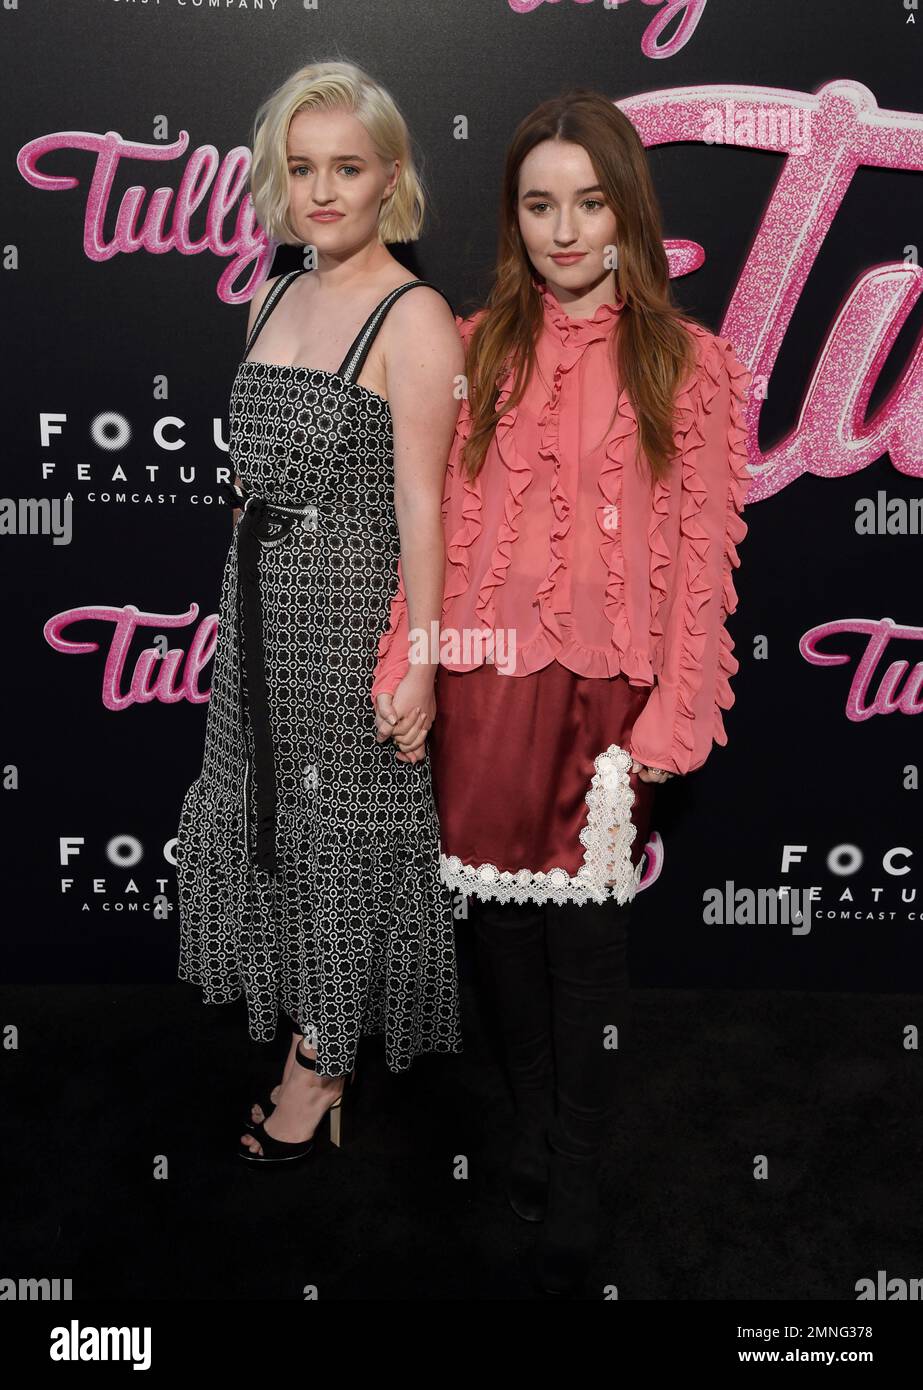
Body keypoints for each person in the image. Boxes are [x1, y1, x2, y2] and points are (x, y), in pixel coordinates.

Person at [373, 89, 751, 1294]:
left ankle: (577, 1158)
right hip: (485, 685)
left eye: (588, 202)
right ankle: (531, 1128)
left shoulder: (688, 365)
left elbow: (698, 556)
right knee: (496, 932)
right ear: (514, 216)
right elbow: (433, 525)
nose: (564, 228)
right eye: (539, 204)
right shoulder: (478, 345)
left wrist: (672, 709)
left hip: (603, 700)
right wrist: (411, 656)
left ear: (627, 209)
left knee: (584, 945)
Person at [175, 59, 465, 1167]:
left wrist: (424, 665)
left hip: (351, 629)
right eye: (303, 171)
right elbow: (255, 473)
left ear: (390, 175)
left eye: (347, 167)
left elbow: (428, 511)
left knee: (343, 843)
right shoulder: (273, 292)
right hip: (257, 618)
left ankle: (321, 1063)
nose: (323, 191)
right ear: (278, 183)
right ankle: (305, 1029)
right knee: (271, 832)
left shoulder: (415, 313)